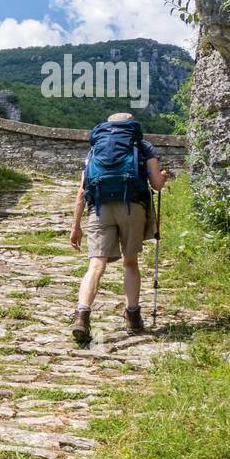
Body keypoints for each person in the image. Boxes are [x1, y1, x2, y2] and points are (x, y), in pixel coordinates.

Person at [69, 112, 168, 344]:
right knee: (130, 261)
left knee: (95, 265)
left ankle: (82, 315)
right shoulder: (142, 146)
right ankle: (133, 317)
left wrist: (76, 226)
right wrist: (163, 175)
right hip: (132, 207)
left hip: (100, 208)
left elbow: (82, 190)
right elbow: (156, 184)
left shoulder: (95, 148)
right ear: (131, 125)